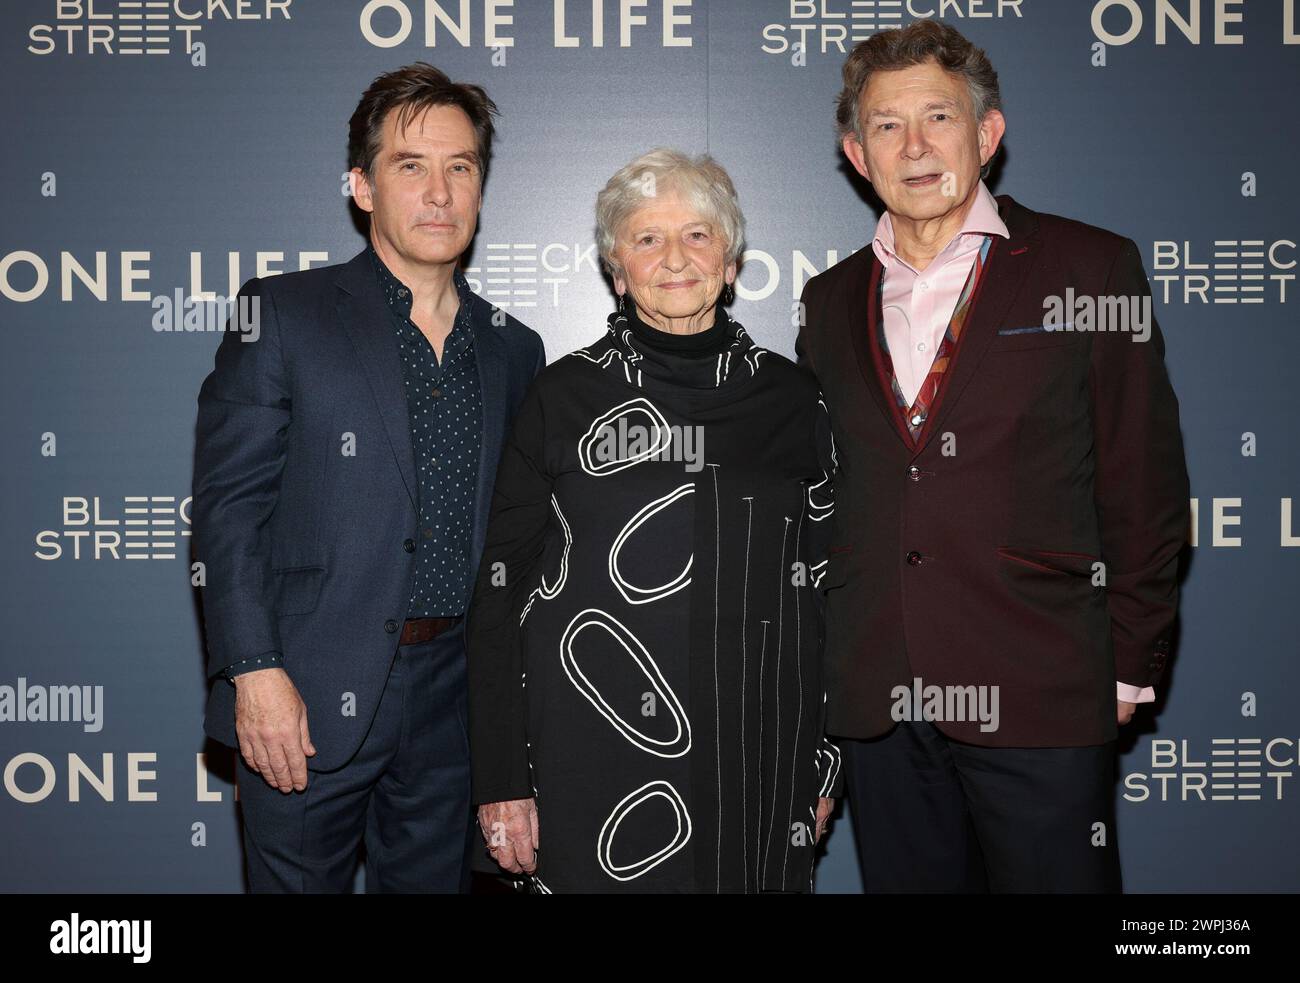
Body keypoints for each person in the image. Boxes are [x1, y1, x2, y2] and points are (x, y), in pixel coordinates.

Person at [797, 20, 1190, 893]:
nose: (916, 145)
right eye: (888, 126)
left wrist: (1131, 660)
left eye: (938, 117)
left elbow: (1144, 479)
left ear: (987, 133)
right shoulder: (827, 302)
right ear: (858, 154)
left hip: (1041, 681)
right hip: (881, 698)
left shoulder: (1089, 267)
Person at [192, 62, 545, 892]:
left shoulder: (513, 347)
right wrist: (254, 670)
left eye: (460, 168)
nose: (439, 192)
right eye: (409, 166)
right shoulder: (282, 315)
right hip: (304, 692)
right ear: (361, 185)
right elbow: (228, 511)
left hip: (456, 704)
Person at [467, 148, 842, 893]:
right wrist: (503, 779)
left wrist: (824, 759)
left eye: (698, 235)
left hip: (759, 763)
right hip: (589, 761)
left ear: (731, 262)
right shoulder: (563, 396)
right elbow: (500, 595)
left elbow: (834, 591)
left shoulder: (794, 400)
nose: (675, 257)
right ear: (616, 268)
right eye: (646, 238)